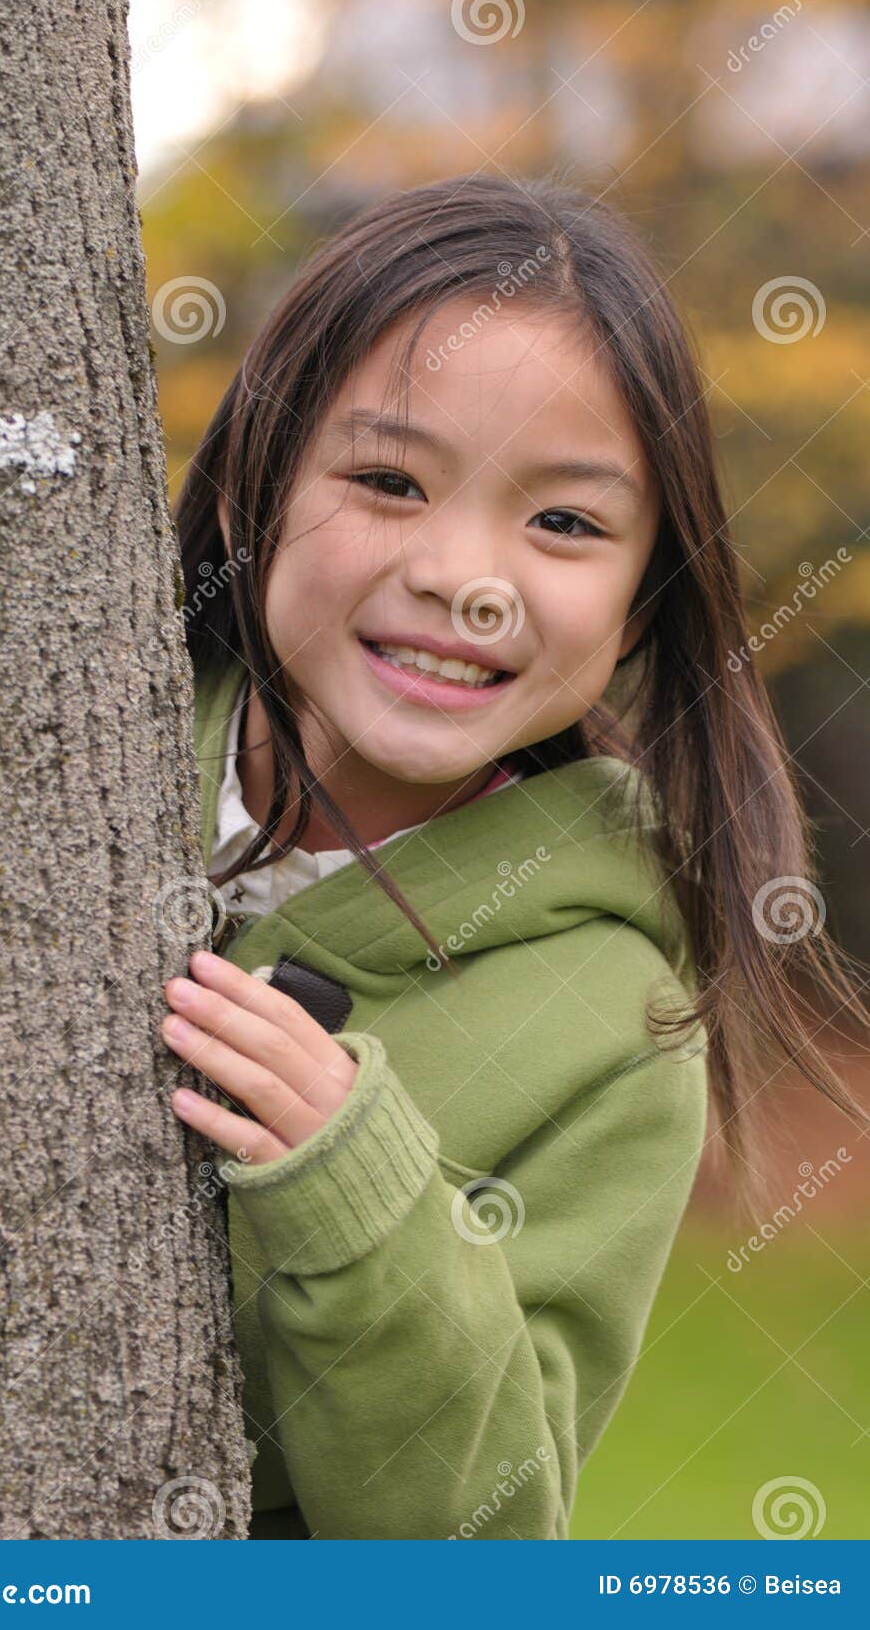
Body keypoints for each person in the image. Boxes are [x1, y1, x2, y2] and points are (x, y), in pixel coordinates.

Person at [160, 172, 870, 1539]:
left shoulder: (619, 1027)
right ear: (254, 488)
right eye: (388, 479)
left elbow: (484, 1541)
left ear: (642, 597)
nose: (467, 575)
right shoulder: (68, 752)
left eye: (563, 522)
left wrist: (357, 1189)